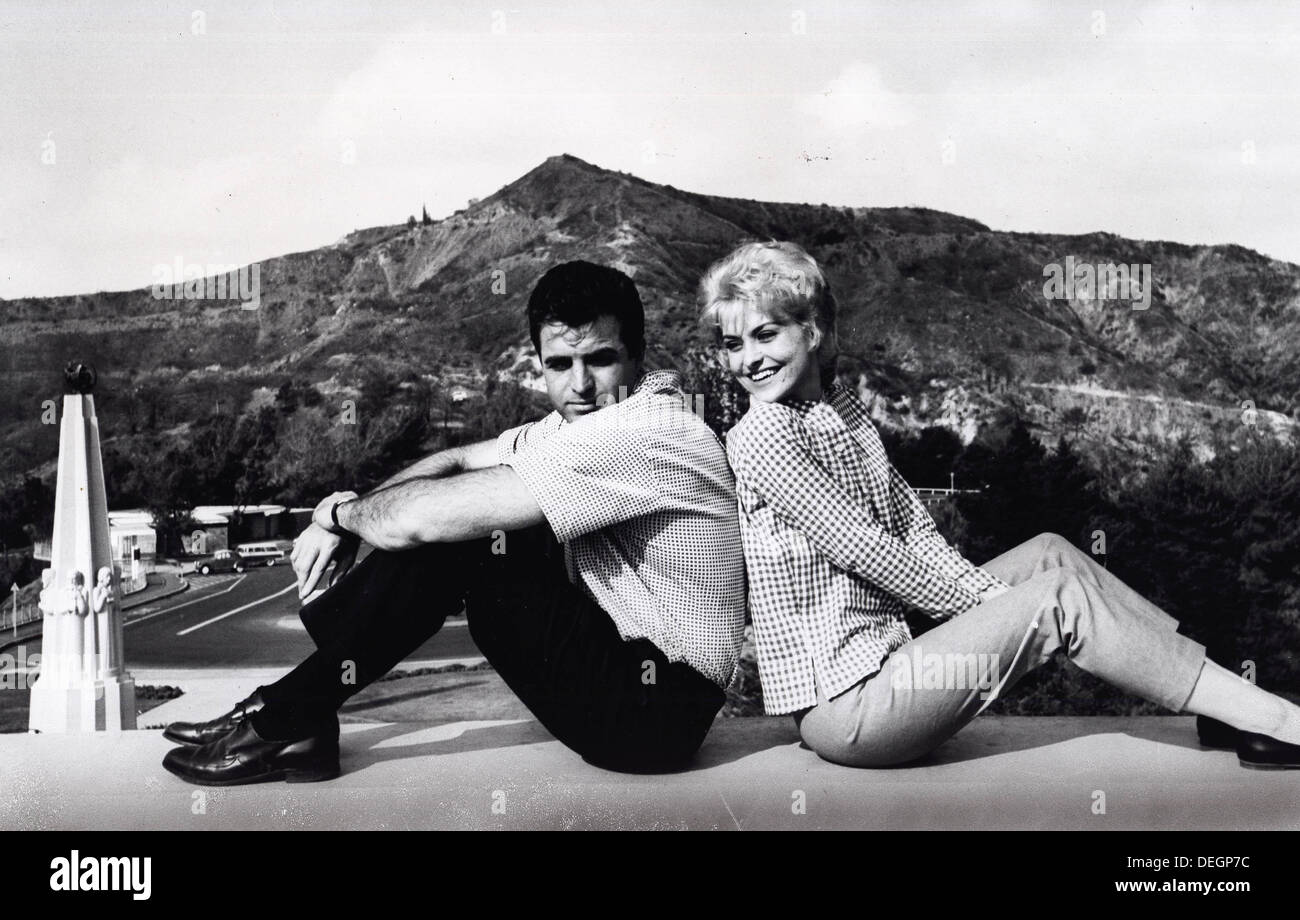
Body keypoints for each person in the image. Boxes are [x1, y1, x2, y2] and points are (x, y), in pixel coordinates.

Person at [698, 239, 1300, 770]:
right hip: (851, 709)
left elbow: (913, 529)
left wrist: (989, 601)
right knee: (1058, 597)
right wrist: (993, 604)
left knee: (1049, 555)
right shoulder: (761, 435)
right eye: (732, 343)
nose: (747, 358)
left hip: (893, 660)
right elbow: (871, 551)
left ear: (815, 331)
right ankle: (1272, 719)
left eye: (765, 333)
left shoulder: (843, 414)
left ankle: (1227, 701)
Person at [162, 260, 745, 785]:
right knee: (464, 517)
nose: (581, 385)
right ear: (540, 365)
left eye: (600, 359)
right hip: (624, 676)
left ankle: (286, 717)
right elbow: (459, 458)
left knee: (466, 539)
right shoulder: (574, 429)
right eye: (560, 365)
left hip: (659, 713)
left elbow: (418, 519)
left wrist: (336, 515)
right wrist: (345, 522)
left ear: (638, 357)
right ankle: (298, 716)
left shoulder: (653, 431)